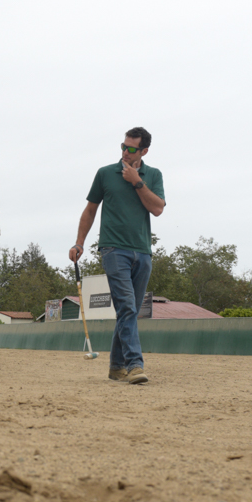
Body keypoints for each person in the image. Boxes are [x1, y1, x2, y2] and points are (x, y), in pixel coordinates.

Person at [70, 127, 166, 385]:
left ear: (144, 151)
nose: (125, 152)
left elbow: (157, 209)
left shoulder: (153, 175)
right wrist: (79, 243)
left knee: (129, 313)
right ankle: (135, 364)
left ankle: (115, 367)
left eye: (131, 148)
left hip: (143, 252)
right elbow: (89, 211)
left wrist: (136, 181)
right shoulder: (104, 174)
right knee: (126, 307)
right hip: (113, 249)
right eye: (123, 146)